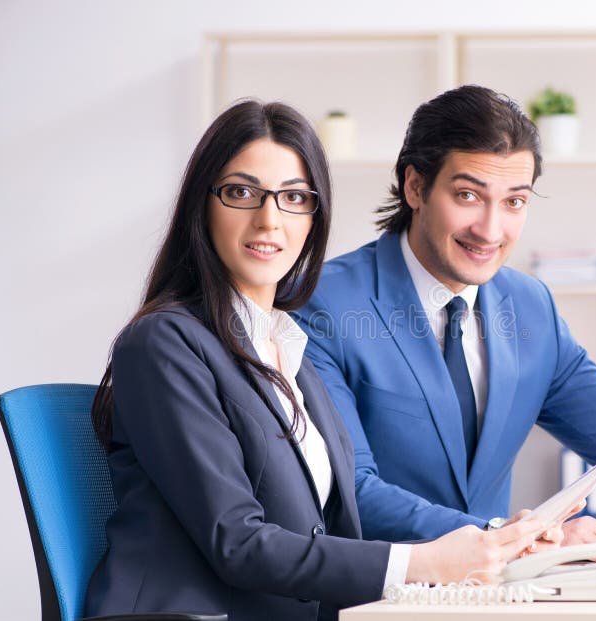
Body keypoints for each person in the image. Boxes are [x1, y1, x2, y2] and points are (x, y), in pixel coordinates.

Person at [83, 100, 554, 621]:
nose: (269, 220)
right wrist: (423, 562)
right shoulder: (164, 344)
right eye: (242, 193)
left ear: (315, 216)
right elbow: (237, 542)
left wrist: (502, 541)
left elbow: (336, 524)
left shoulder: (287, 348)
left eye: (293, 198)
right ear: (203, 204)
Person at [293, 84, 596, 545]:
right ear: (415, 186)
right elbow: (350, 492)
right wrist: (511, 537)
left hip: (490, 602)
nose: (490, 230)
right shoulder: (322, 303)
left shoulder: (530, 307)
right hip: (372, 603)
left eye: (514, 202)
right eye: (467, 196)